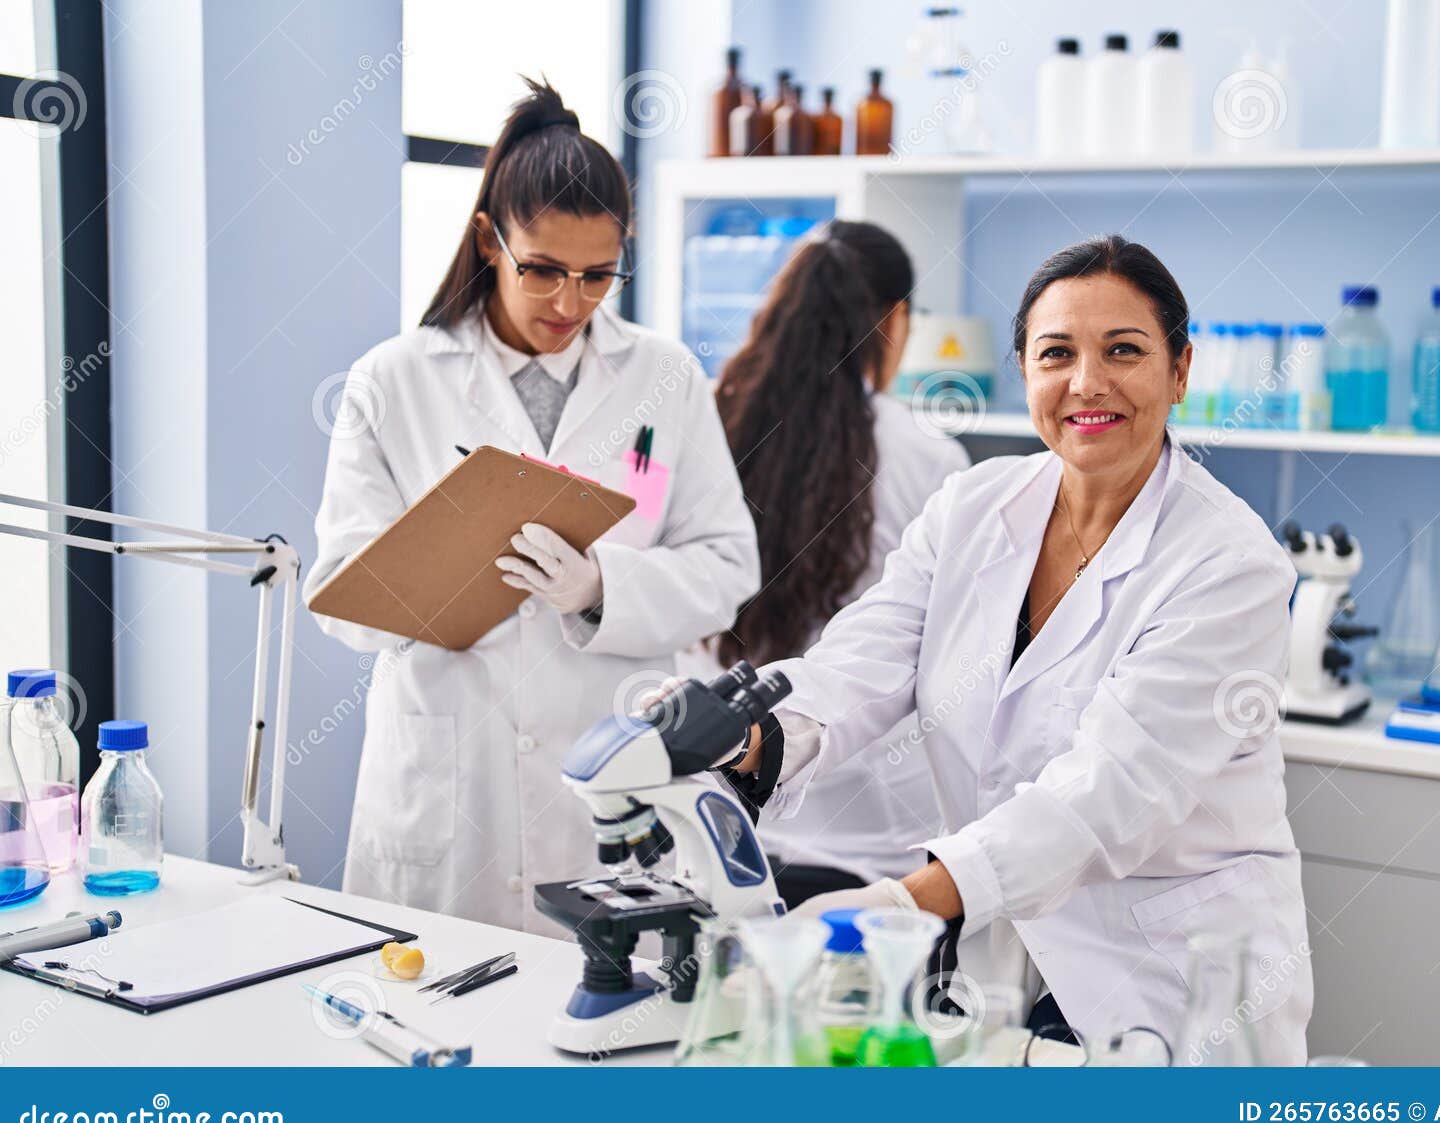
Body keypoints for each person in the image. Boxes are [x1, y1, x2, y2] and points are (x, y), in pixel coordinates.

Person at [723, 235, 1313, 1063]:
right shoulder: (974, 504)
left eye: (1124, 351)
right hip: (1007, 967)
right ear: (1025, 370)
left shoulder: (1229, 564)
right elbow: (866, 655)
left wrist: (905, 901)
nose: (1087, 383)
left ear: (1180, 370)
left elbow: (1110, 791)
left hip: (1171, 982)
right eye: (1057, 354)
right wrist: (761, 734)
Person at [304, 79, 758, 936]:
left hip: (611, 765)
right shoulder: (393, 380)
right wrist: (438, 578)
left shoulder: (664, 378)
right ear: (489, 240)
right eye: (542, 269)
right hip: (447, 771)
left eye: (598, 276)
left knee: (603, 1033)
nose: (569, 304)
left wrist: (600, 587)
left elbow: (728, 566)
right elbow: (339, 588)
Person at [679, 221, 969, 908]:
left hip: (724, 816)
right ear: (895, 320)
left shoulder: (716, 424)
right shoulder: (926, 456)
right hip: (875, 838)